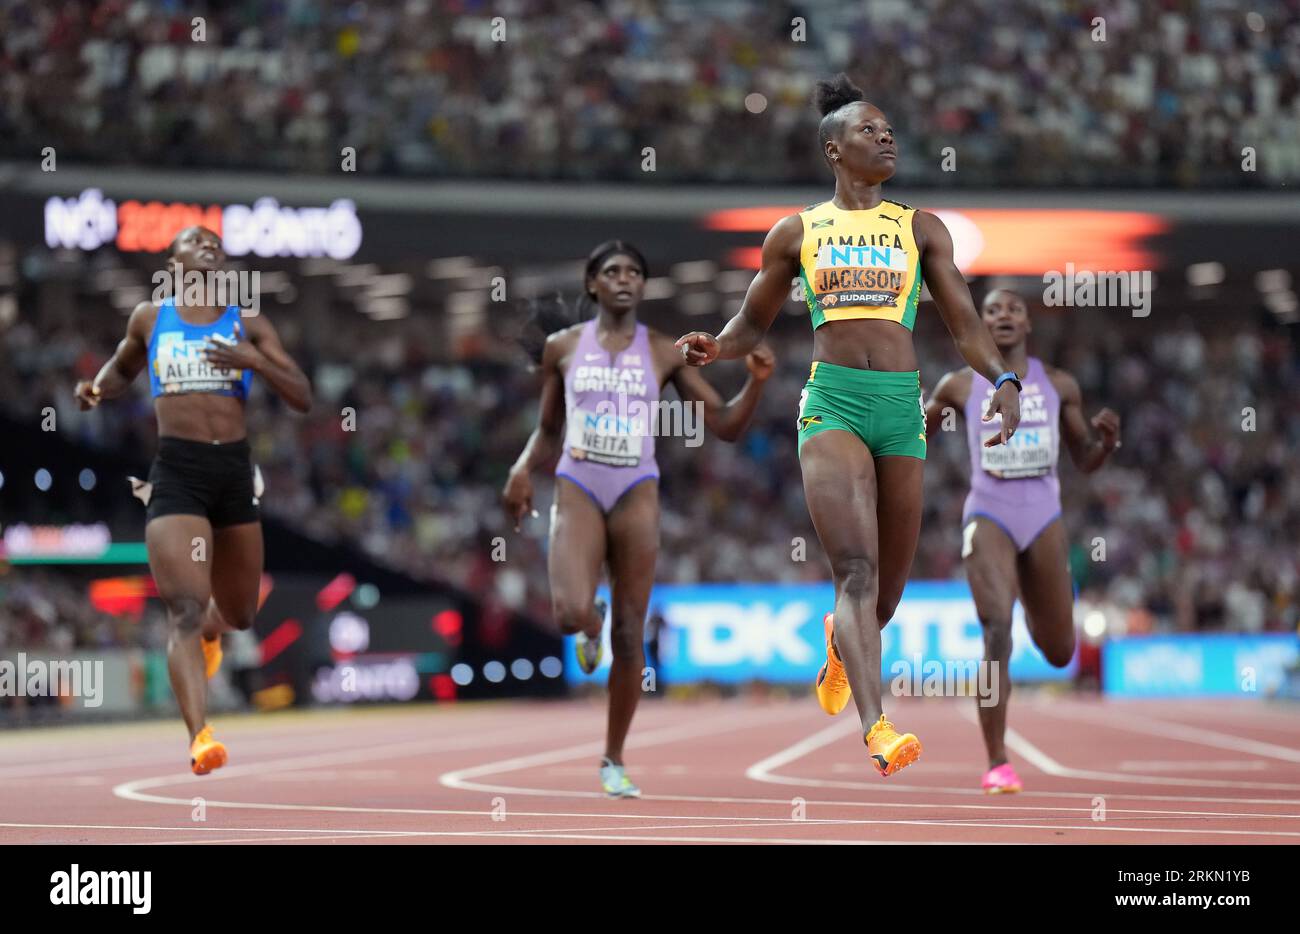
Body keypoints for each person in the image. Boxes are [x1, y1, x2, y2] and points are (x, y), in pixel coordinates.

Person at [676, 74, 1023, 778]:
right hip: (831, 402)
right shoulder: (797, 232)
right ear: (835, 150)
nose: (887, 137)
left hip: (900, 408)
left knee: (884, 596)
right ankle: (878, 728)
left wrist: (1004, 380)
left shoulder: (919, 227)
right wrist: (720, 345)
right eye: (871, 130)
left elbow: (961, 322)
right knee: (856, 569)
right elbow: (751, 321)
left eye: (890, 129)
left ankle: (841, 638)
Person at [504, 240, 774, 797]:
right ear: (593, 285)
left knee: (632, 636)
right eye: (612, 271)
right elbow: (551, 428)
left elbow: (722, 423)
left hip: (636, 490)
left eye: (634, 272)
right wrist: (523, 467)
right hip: (579, 483)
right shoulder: (562, 348)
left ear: (643, 287)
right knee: (567, 613)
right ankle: (589, 620)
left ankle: (613, 758)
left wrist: (757, 382)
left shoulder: (662, 352)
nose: (624, 278)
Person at [74, 226, 311, 774]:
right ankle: (200, 735)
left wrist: (254, 361)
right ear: (172, 258)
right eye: (195, 239)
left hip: (232, 471)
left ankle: (212, 629)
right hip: (177, 472)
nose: (209, 245)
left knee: (240, 613)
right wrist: (96, 390)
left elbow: (301, 395)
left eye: (215, 241)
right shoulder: (151, 318)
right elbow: (122, 366)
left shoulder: (245, 321)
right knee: (181, 607)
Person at [925, 288, 1120, 792]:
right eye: (991, 311)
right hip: (988, 512)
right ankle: (997, 761)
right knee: (995, 631)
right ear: (980, 324)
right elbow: (911, 439)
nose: (1003, 317)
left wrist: (1106, 443)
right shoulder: (958, 385)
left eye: (1014, 309)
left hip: (1044, 517)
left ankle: (1038, 605)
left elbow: (1085, 458)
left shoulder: (1059, 385)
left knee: (1059, 652)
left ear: (1028, 324)